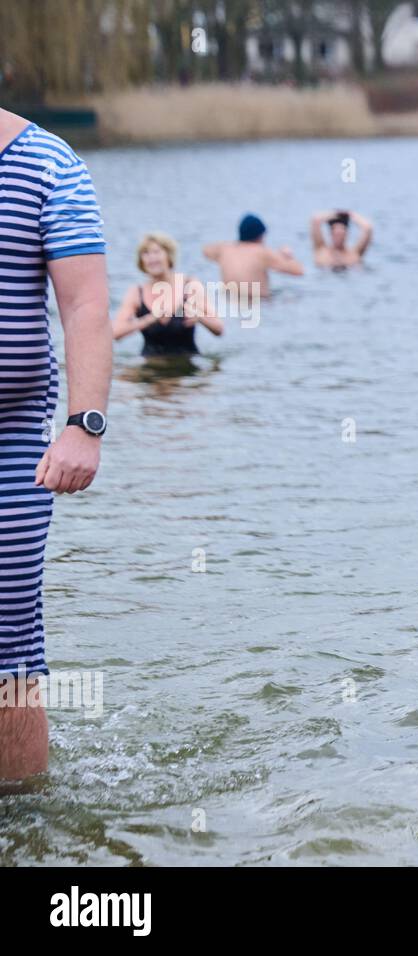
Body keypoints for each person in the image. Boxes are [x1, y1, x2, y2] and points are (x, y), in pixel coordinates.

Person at [0, 110, 112, 781]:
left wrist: (84, 422)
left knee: (6, 639)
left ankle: (20, 821)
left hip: (10, 436)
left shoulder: (48, 164)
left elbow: (86, 307)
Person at [112, 233, 224, 356]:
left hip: (186, 368)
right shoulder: (136, 292)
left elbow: (219, 329)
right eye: (146, 253)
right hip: (150, 365)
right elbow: (116, 332)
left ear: (169, 256)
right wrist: (149, 319)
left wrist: (199, 317)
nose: (151, 258)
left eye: (156, 252)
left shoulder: (189, 285)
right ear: (141, 261)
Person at [202, 214, 303, 295]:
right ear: (259, 236)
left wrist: (228, 246)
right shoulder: (261, 252)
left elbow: (205, 250)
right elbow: (298, 271)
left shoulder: (224, 249)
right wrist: (288, 255)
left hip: (228, 301)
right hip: (257, 302)